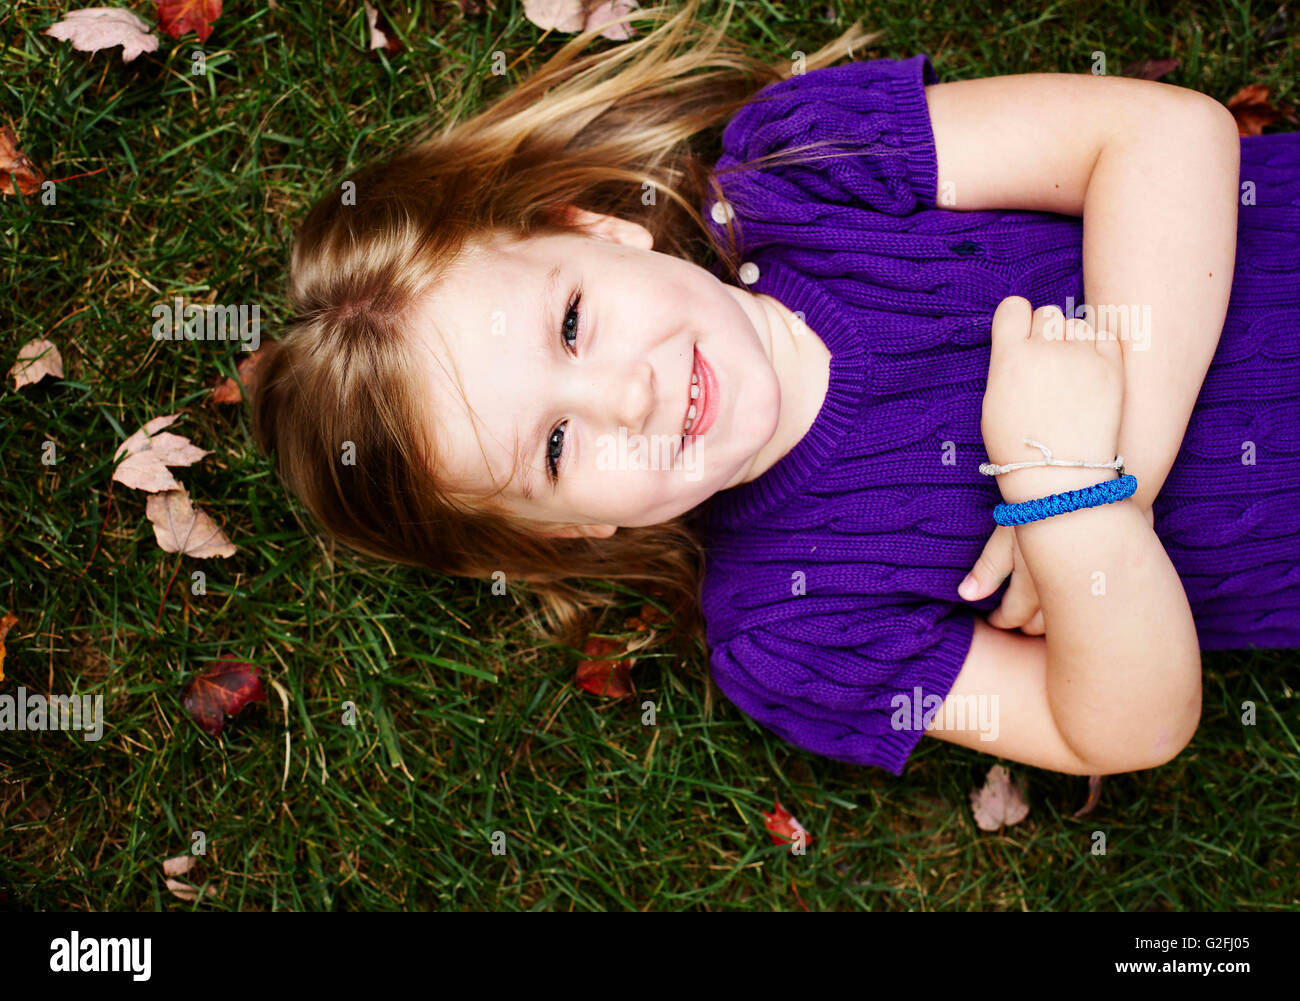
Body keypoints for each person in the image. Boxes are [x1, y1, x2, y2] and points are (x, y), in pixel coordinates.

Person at [253, 0, 1300, 778]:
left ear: (594, 228)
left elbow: (1165, 135)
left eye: (572, 323)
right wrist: (1070, 517)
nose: (628, 396)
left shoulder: (801, 168)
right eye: (556, 448)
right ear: (561, 532)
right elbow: (1120, 726)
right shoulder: (786, 631)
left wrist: (1119, 460)